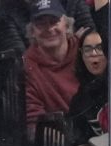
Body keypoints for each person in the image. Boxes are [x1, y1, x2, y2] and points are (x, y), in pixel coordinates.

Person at [23, 0, 81, 138]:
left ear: (66, 25)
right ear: (32, 31)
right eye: (41, 24)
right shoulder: (26, 66)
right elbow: (33, 120)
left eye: (54, 21)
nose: (49, 29)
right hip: (58, 141)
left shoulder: (85, 50)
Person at [67, 27, 109, 146]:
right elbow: (78, 143)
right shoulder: (79, 99)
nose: (94, 54)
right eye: (87, 49)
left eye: (100, 48)